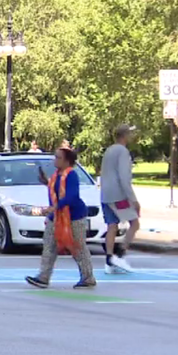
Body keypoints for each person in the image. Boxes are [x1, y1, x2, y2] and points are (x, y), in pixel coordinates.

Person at [25, 147, 95, 289]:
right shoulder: (57, 175)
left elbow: (71, 196)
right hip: (56, 216)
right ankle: (43, 277)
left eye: (58, 158)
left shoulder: (71, 175)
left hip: (74, 216)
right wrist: (46, 182)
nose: (55, 160)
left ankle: (88, 277)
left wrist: (55, 207)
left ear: (67, 161)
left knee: (78, 246)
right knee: (49, 245)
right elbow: (55, 189)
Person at [100, 124, 139, 274]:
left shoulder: (109, 150)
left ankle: (109, 259)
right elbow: (124, 177)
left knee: (111, 225)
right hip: (119, 195)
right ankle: (120, 254)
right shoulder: (123, 152)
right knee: (134, 223)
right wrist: (133, 199)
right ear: (125, 136)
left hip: (106, 193)